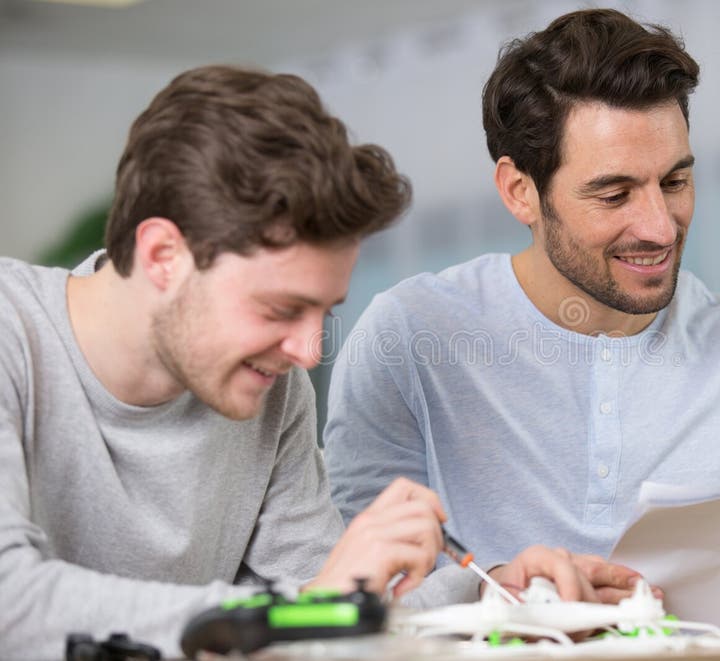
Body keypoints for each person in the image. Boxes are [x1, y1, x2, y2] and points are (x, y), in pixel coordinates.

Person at [324, 8, 720, 627]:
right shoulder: (411, 336)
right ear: (520, 190)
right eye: (614, 193)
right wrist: (499, 592)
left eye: (674, 181)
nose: (659, 227)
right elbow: (334, 587)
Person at [0, 65, 634, 661]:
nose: (307, 352)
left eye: (323, 312)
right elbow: (13, 606)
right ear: (165, 256)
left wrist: (493, 596)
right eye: (281, 308)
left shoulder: (271, 392)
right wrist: (299, 613)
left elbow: (324, 604)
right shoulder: (12, 336)